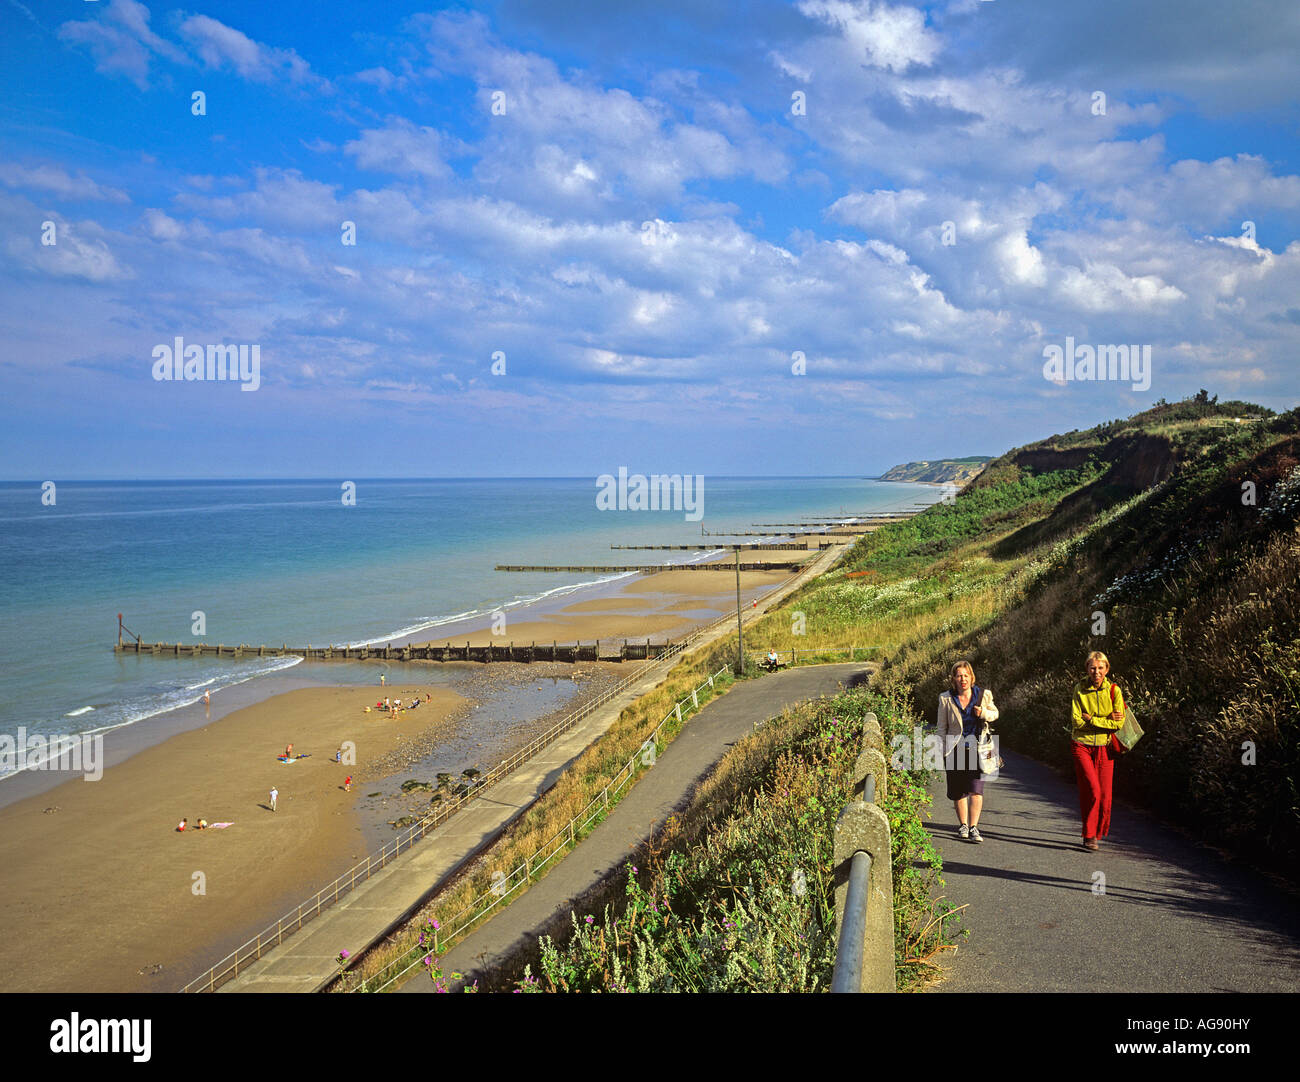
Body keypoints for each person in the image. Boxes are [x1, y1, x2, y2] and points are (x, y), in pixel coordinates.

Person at [936, 660, 998, 843]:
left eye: (966, 675)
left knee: (976, 790)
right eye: (959, 676)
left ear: (971, 677)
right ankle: (963, 825)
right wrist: (942, 751)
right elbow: (941, 727)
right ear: (953, 679)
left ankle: (974, 827)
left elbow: (995, 714)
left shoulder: (983, 695)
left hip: (979, 748)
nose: (963, 679)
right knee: (959, 792)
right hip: (955, 749)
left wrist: (983, 713)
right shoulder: (946, 698)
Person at [1071, 651, 1126, 851]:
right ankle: (1089, 835)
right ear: (1087, 669)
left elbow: (1118, 724)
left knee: (1104, 794)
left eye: (1100, 668)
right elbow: (1076, 721)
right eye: (1092, 668)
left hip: (1105, 747)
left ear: (1107, 669)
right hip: (1082, 745)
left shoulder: (1114, 690)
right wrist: (1106, 720)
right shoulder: (1079, 689)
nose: (1096, 672)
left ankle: (1098, 830)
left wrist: (1092, 719)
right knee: (1092, 789)